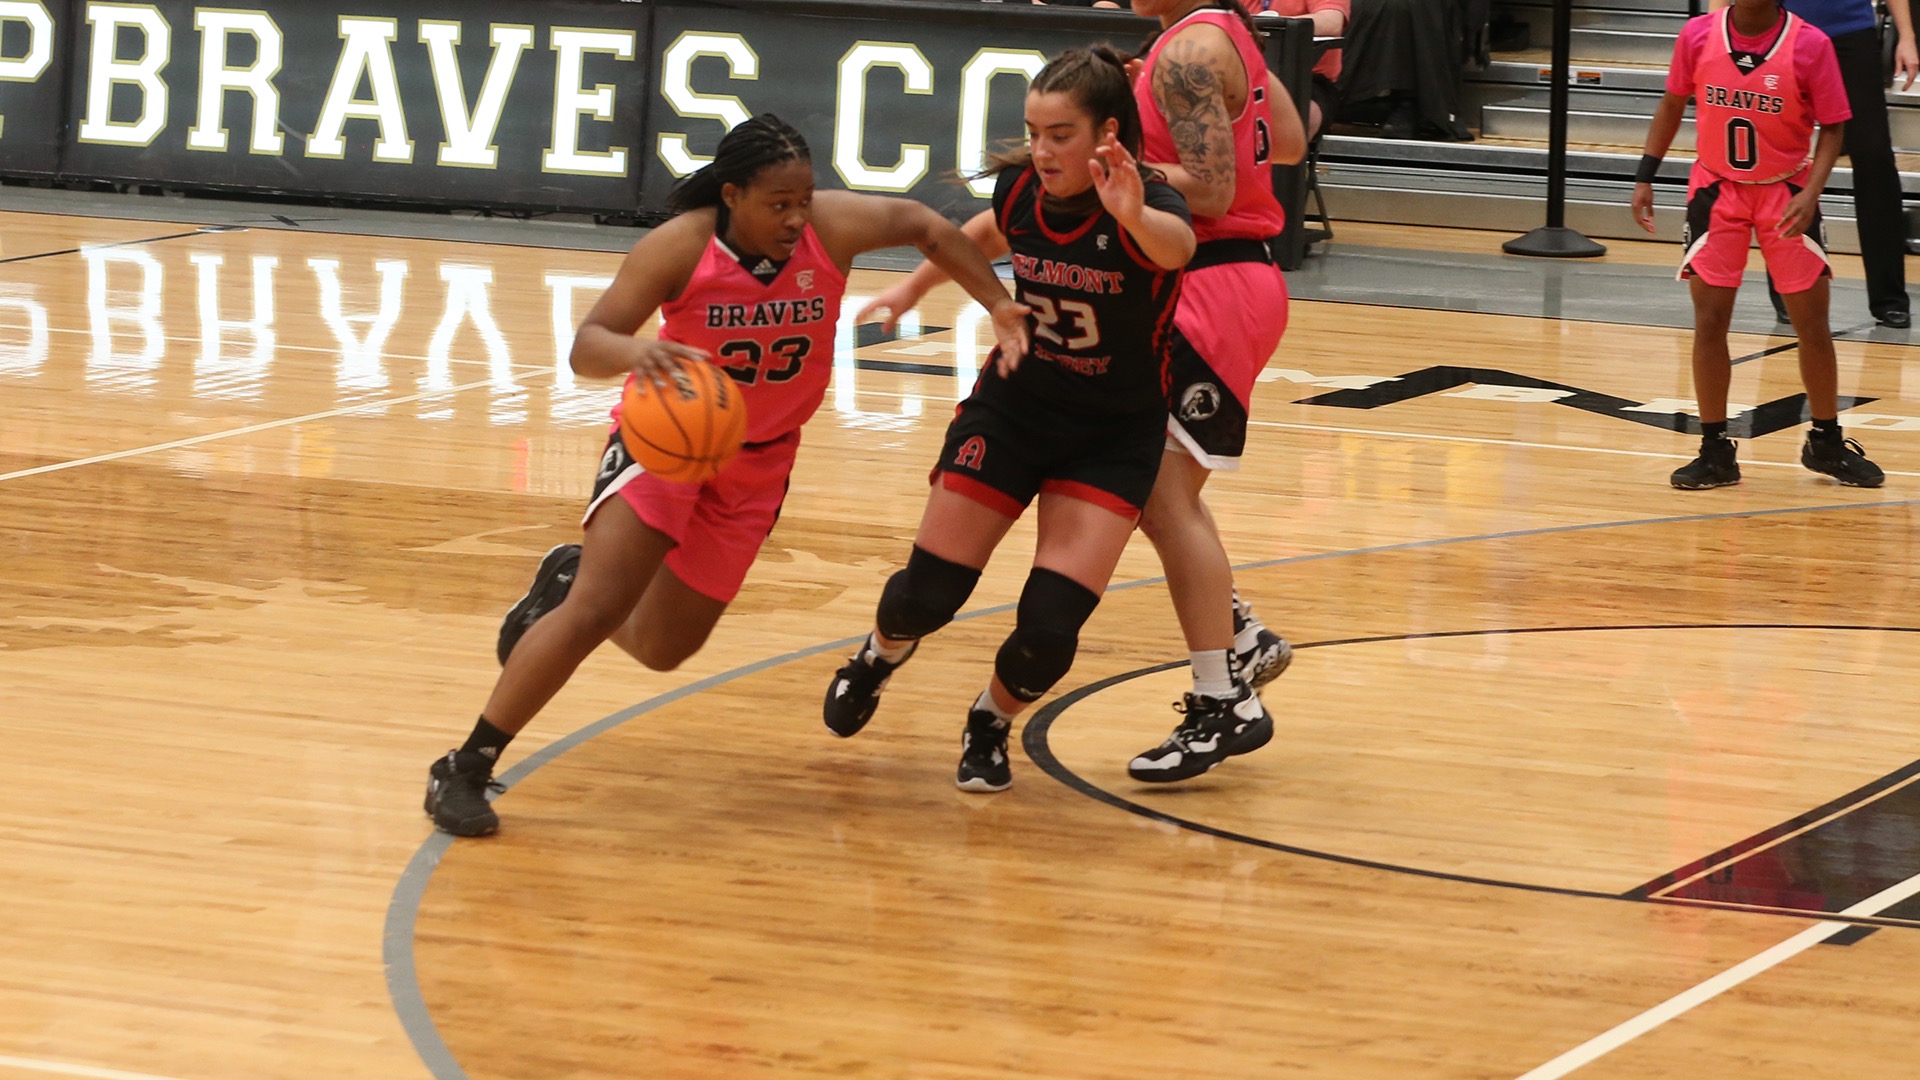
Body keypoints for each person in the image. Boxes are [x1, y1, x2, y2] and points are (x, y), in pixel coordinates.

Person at [423, 114, 1030, 837]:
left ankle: (561, 578)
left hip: (760, 460)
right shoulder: (680, 246)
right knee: (598, 609)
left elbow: (929, 226)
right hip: (664, 445)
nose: (796, 217)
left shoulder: (830, 229)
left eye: (804, 200)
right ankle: (464, 766)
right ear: (734, 195)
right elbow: (587, 345)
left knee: (664, 648)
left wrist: (995, 302)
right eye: (779, 204)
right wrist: (638, 354)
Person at [822, 47, 1197, 792]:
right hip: (1016, 408)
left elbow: (1177, 248)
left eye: (1060, 133)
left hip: (1112, 436)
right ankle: (876, 655)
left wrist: (1129, 211)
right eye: (1033, 131)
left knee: (1048, 635)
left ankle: (990, 718)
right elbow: (985, 234)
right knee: (926, 596)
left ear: (1107, 132)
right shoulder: (1024, 187)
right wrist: (912, 290)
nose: (1041, 149)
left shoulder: (1150, 203)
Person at [1125, 0, 1309, 783]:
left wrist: (1114, 158)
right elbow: (1292, 143)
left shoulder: (1191, 50)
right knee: (1139, 483)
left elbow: (1203, 190)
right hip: (1234, 278)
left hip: (1213, 281)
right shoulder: (1227, 33)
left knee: (1161, 495)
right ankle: (1237, 641)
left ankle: (1224, 695)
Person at [1632, 0, 1884, 490]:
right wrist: (1646, 176)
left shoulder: (1810, 43)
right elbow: (1671, 103)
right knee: (1709, 321)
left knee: (1812, 323)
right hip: (1716, 190)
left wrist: (1812, 192)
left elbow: (1834, 125)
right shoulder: (1698, 35)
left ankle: (1826, 442)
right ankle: (1714, 450)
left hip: (1786, 191)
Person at [1711, 0, 1916, 328]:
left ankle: (1889, 297)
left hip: (1852, 32)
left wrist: (1906, 35)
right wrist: (1714, 35)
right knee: (1779, 158)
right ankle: (1787, 289)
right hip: (1780, 32)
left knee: (1875, 156)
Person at [1251, 0, 1350, 139]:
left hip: (1308, 80)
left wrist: (1272, 27)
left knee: (1301, 116)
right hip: (1244, 75)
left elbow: (1331, 23)